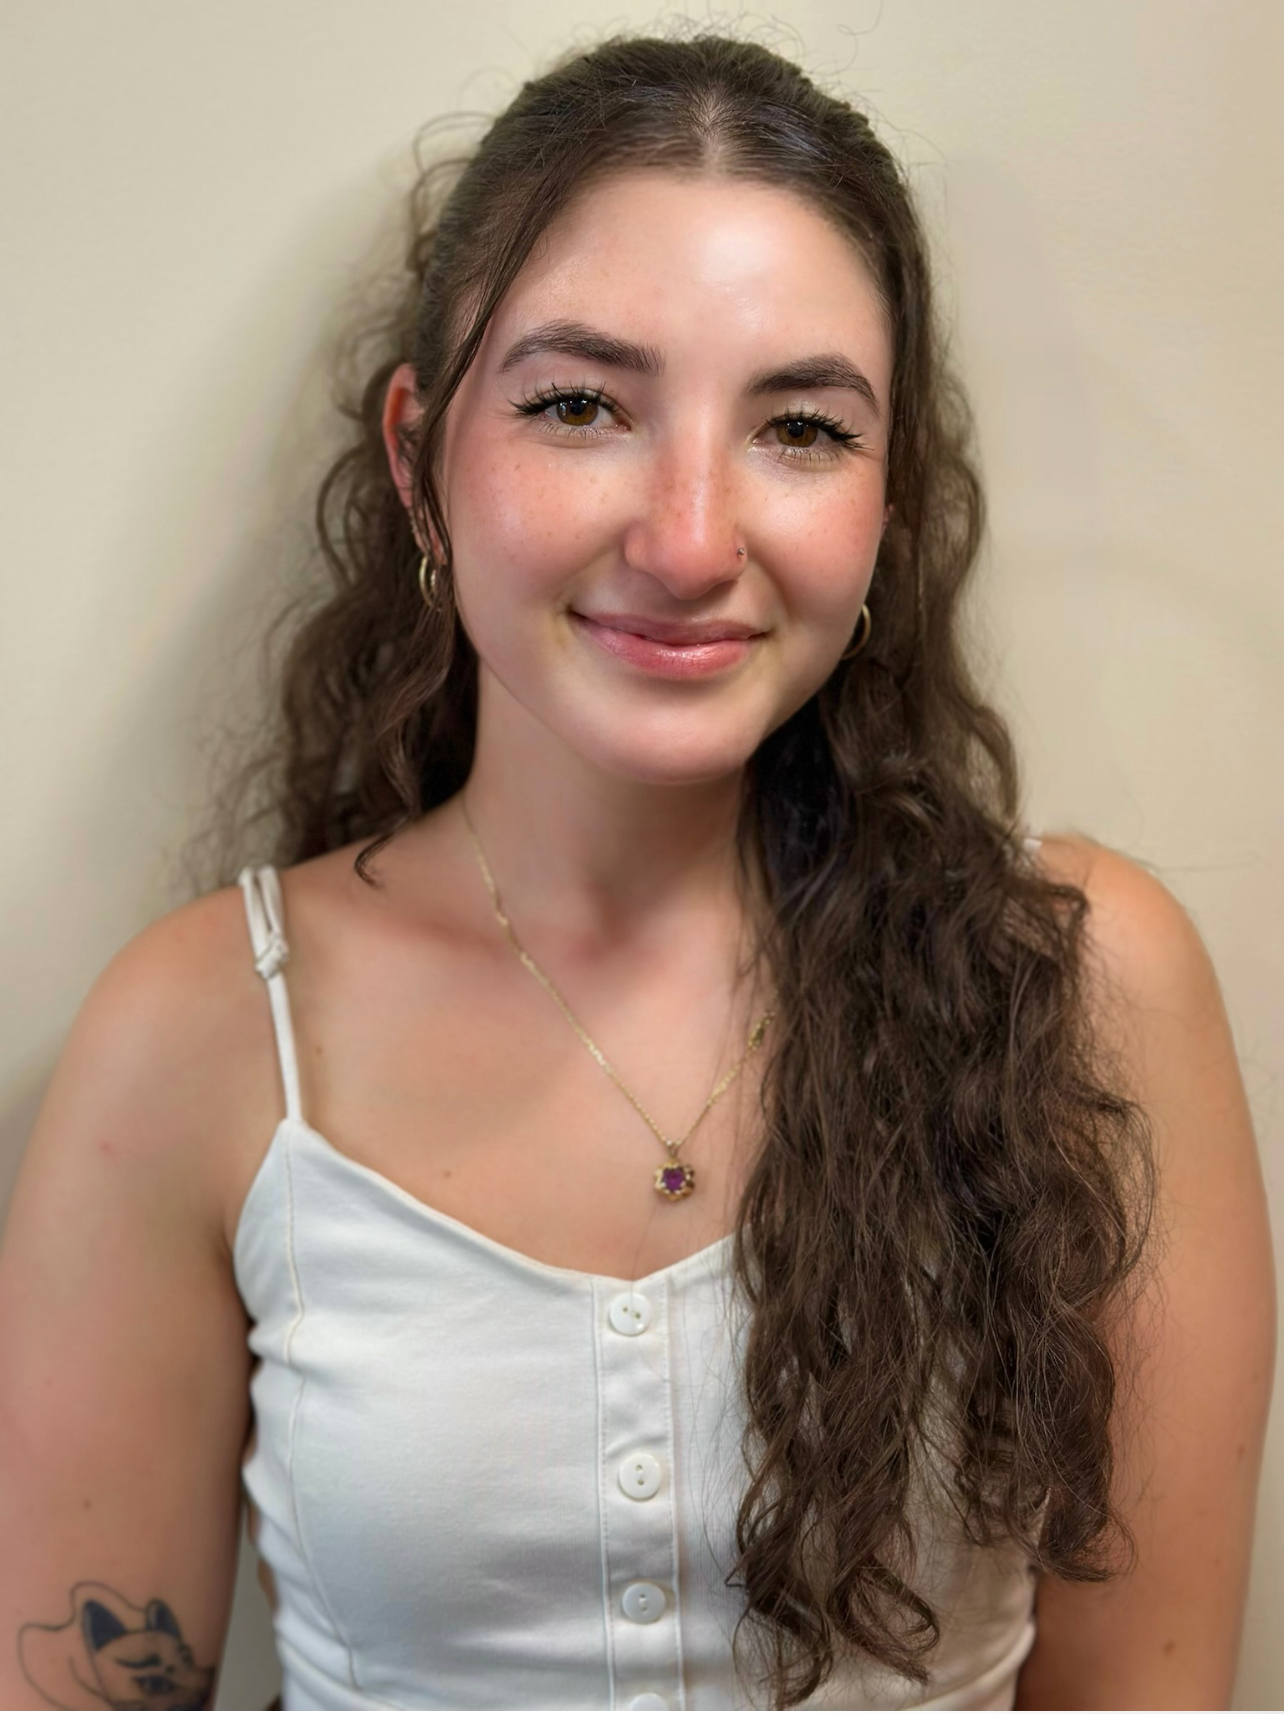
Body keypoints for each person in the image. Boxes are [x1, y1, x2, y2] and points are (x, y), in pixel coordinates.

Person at [0, 27, 1273, 1714]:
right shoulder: (200, 1036)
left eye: (800, 427)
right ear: (419, 462)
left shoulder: (1085, 988)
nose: (686, 540)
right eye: (581, 405)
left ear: (887, 499)